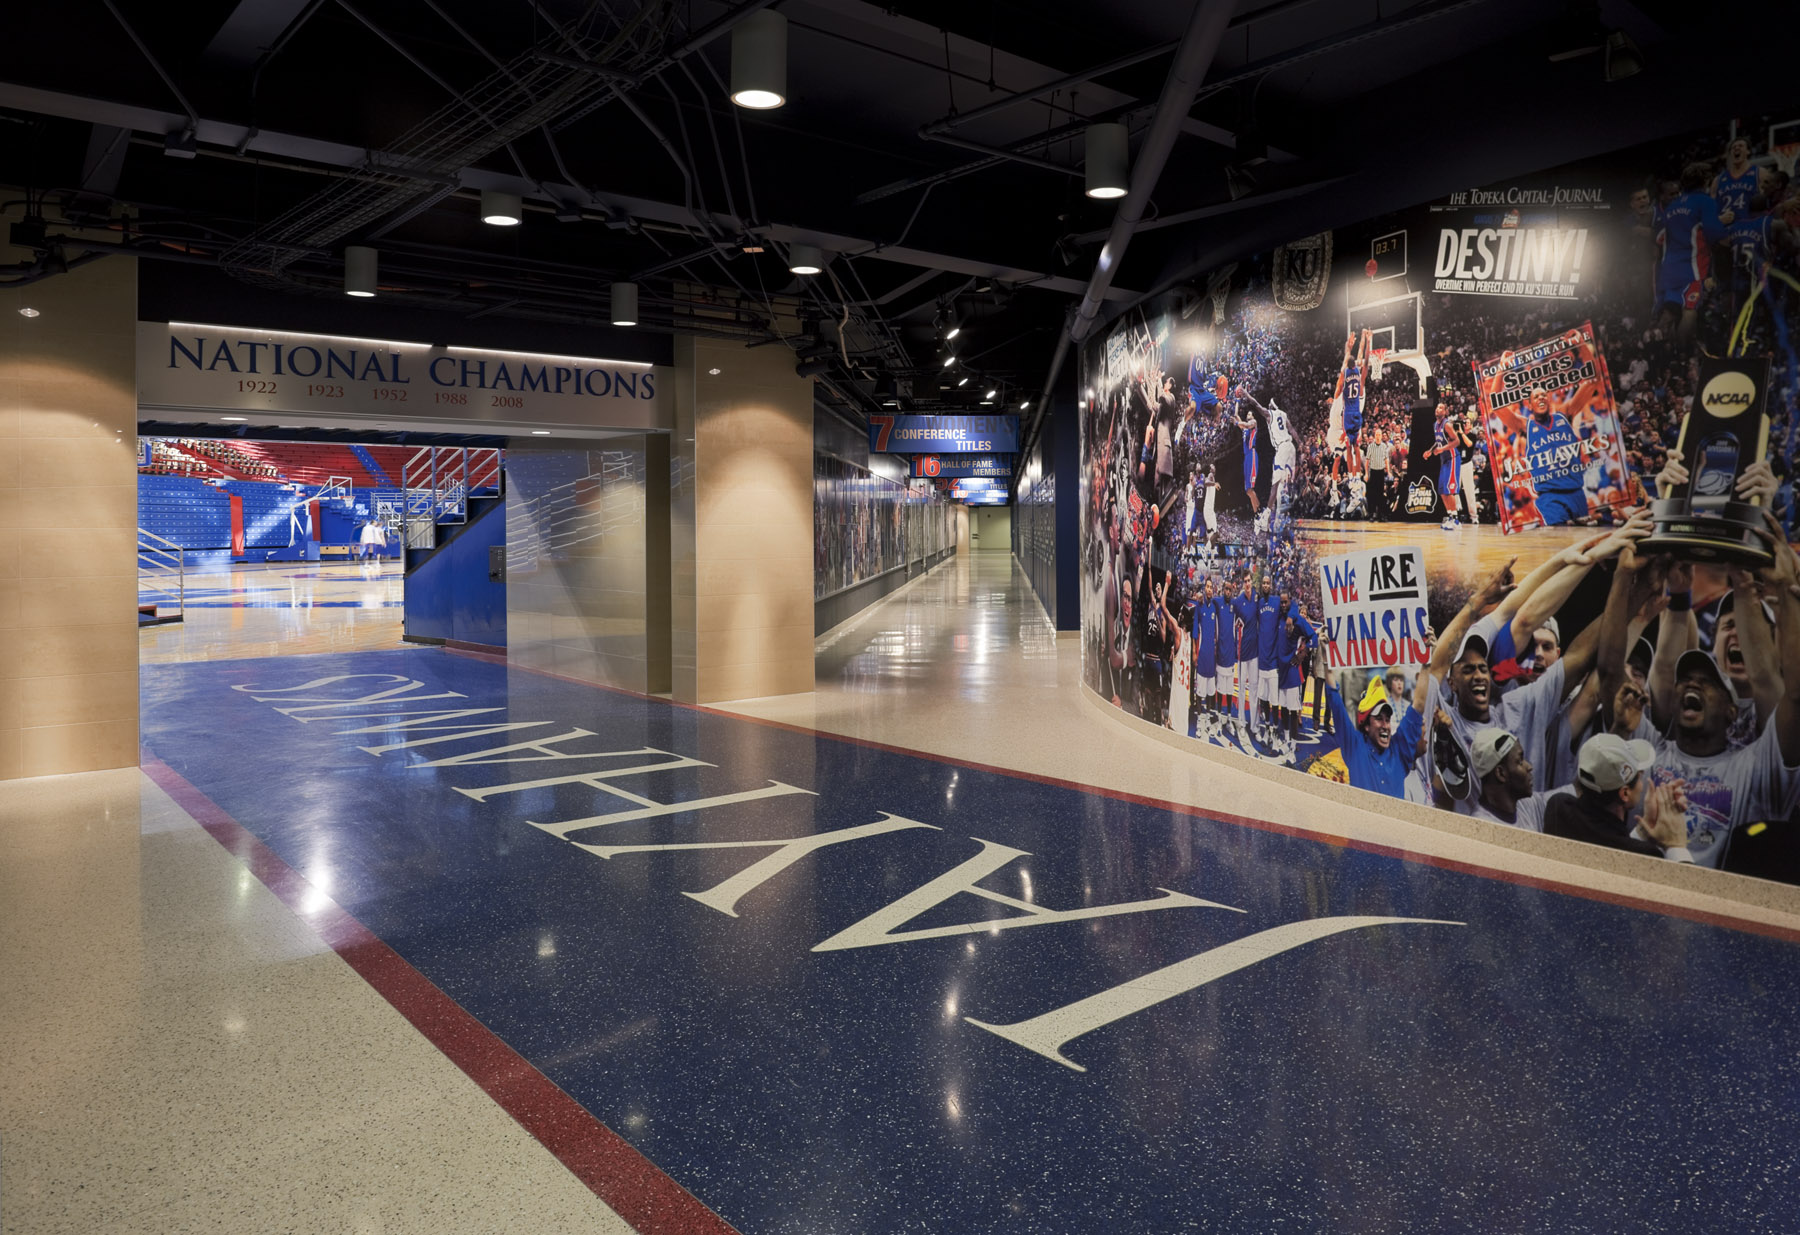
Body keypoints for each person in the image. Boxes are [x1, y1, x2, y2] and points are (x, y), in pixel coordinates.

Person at [1542, 733, 1694, 861]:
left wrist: (1643, 831)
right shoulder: (1647, 857)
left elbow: (1614, 847)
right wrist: (1676, 845)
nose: (1642, 785)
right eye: (1640, 776)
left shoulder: (1558, 808)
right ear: (1625, 793)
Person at [1324, 675, 1422, 800]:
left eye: (1387, 720)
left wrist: (1426, 664)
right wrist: (1327, 663)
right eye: (1379, 719)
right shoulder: (1355, 746)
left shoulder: (1399, 750)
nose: (1385, 725)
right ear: (1366, 726)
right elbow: (1335, 702)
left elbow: (1419, 704)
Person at [1466, 729, 1566, 831]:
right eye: (1520, 762)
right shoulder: (1480, 829)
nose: (1529, 767)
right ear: (1501, 773)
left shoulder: (1526, 805)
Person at [1363, 429, 1391, 520]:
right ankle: (1372, 514)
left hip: (1381, 472)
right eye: (1377, 434)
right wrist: (1366, 473)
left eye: (1379, 434)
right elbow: (1367, 461)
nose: (1378, 436)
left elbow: (1386, 459)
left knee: (1381, 493)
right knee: (1372, 494)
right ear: (1375, 436)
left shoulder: (1384, 446)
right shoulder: (1370, 446)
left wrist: (1389, 471)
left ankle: (1381, 514)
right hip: (1373, 472)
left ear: (1381, 436)